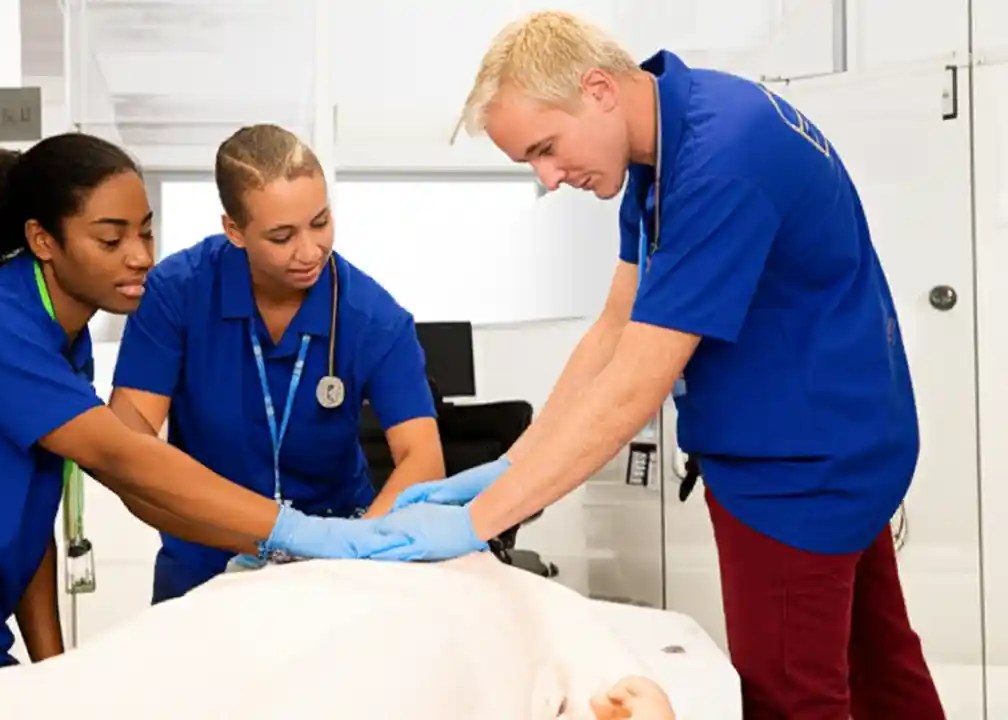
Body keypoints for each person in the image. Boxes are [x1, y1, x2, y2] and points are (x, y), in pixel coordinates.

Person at [373, 10, 946, 720]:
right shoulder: (663, 150)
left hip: (798, 471)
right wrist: (511, 466)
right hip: (840, 437)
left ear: (598, 90)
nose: (549, 179)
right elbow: (615, 329)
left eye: (546, 148)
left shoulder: (720, 159)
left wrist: (476, 523)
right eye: (531, 162)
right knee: (882, 674)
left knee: (792, 697)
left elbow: (632, 388)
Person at [0, 133, 414, 720]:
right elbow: (121, 456)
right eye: (111, 240)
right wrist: (299, 533)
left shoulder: (61, 341)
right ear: (45, 241)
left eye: (145, 233)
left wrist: (58, 672)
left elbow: (25, 525)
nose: (138, 258)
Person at [0, 553, 704, 720]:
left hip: (415, 643)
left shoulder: (496, 581)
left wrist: (632, 690)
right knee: (100, 690)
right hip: (253, 614)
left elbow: (621, 677)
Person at [110, 123, 444, 602]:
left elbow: (422, 457)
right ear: (234, 231)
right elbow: (128, 436)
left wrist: (354, 549)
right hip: (205, 565)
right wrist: (220, 520)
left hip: (334, 568)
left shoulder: (373, 317)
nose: (309, 251)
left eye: (321, 222)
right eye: (282, 236)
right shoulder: (177, 293)